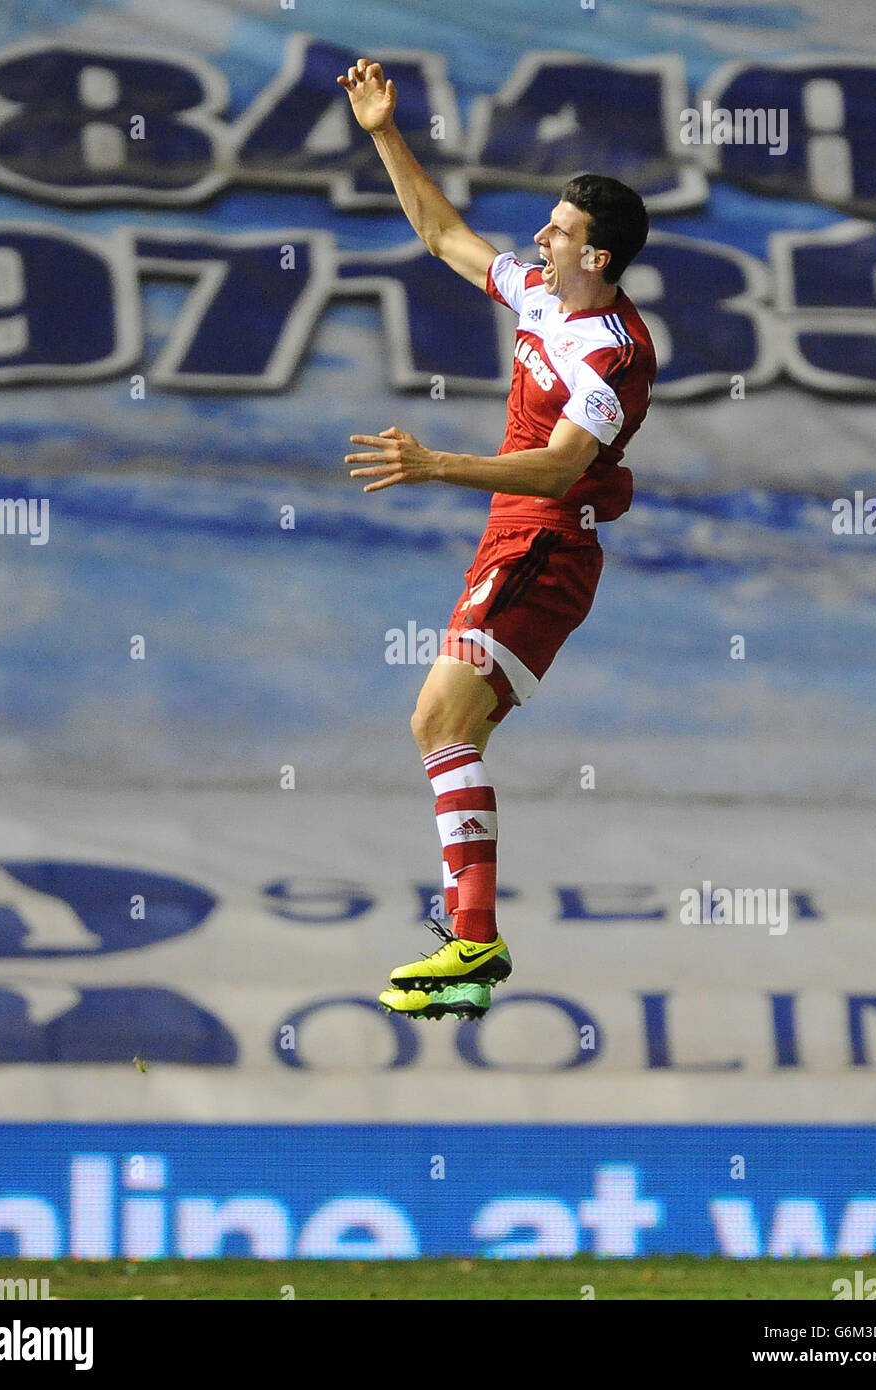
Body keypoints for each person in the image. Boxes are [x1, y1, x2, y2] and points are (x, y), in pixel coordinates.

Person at [339, 58, 656, 1020]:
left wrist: (438, 465)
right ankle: (470, 950)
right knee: (449, 729)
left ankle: (473, 942)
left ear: (597, 258)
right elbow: (441, 235)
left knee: (438, 722)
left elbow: (560, 471)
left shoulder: (614, 356)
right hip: (514, 541)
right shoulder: (540, 298)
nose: (539, 237)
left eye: (558, 232)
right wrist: (383, 133)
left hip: (548, 544)